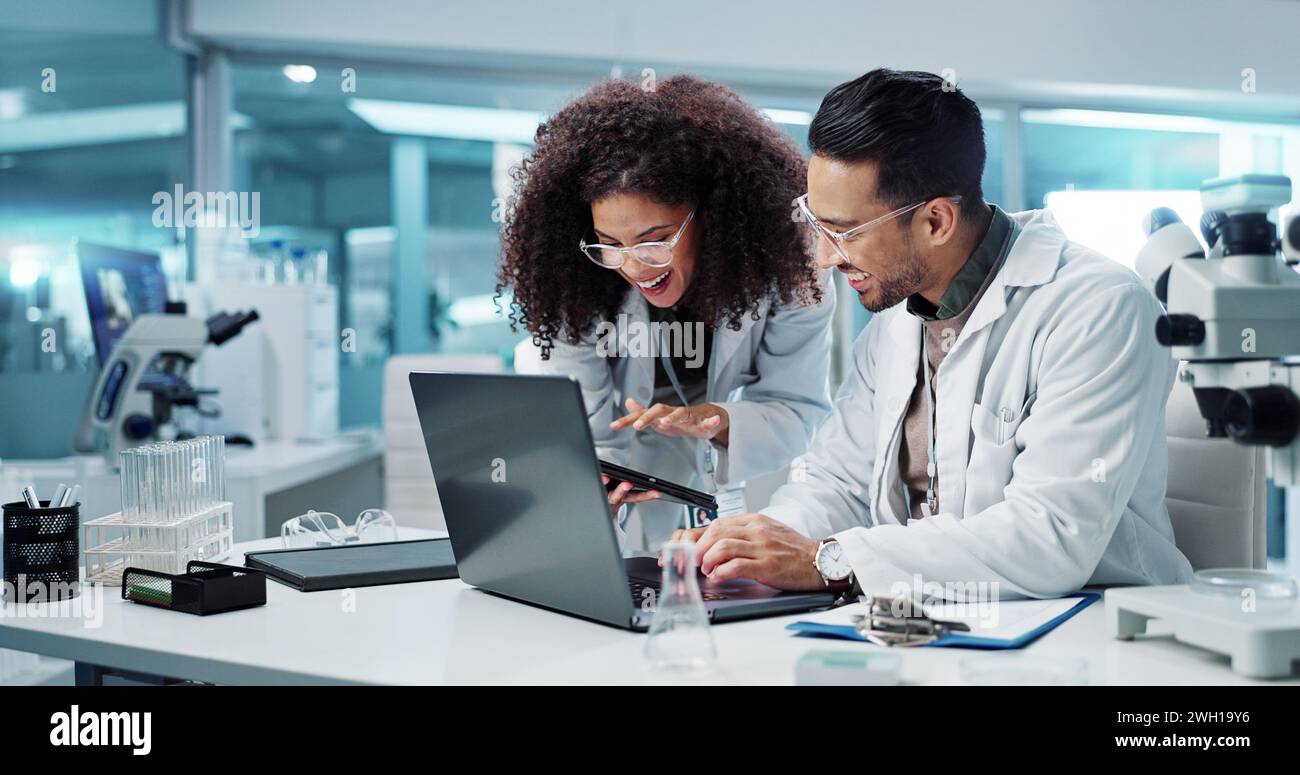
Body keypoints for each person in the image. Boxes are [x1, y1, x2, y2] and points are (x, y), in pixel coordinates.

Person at [667, 69, 1194, 599]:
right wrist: (744, 549)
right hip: (930, 616)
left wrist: (828, 561)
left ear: (937, 221)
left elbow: (1049, 536)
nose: (825, 257)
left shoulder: (1099, 309)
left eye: (844, 232)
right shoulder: (896, 323)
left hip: (1086, 627)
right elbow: (837, 483)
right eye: (816, 223)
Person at [498, 75, 835, 551]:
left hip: (740, 477)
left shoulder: (792, 268)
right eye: (611, 245)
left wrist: (716, 421)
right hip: (626, 466)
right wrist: (592, 490)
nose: (634, 266)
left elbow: (796, 408)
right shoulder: (572, 287)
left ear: (712, 216)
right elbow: (588, 433)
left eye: (655, 240)